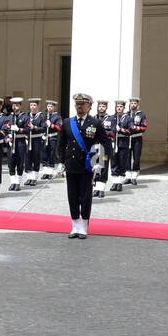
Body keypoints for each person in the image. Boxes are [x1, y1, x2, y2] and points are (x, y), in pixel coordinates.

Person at [58, 93, 110, 238]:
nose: (79, 107)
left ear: (89, 106)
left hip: (88, 166)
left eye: (82, 104)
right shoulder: (68, 122)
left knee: (85, 197)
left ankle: (84, 225)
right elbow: (61, 144)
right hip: (71, 165)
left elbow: (105, 144)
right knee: (72, 196)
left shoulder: (96, 123)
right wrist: (61, 162)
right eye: (77, 104)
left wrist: (100, 162)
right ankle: (75, 225)